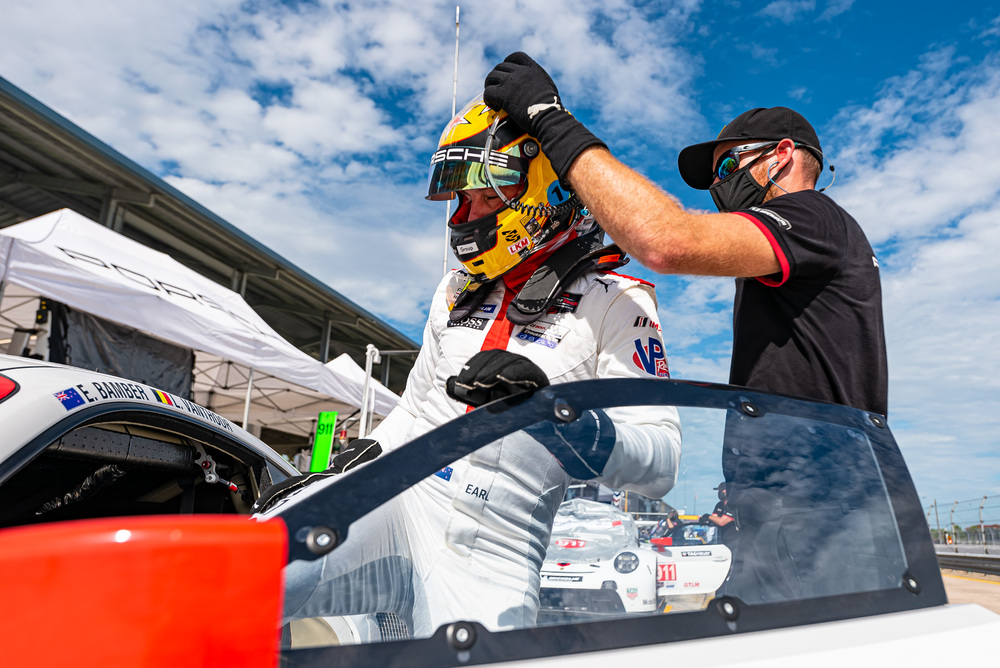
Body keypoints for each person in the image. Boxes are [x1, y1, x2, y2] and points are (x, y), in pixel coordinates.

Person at [266, 94, 682, 639]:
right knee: (249, 570)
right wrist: (346, 467)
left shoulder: (618, 301)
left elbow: (664, 464)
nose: (467, 214)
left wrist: (561, 419)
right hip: (401, 505)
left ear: (543, 192)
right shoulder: (454, 290)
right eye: (462, 198)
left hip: (496, 550)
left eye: (485, 196)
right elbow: (415, 411)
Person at [483, 53, 887, 417]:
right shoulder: (804, 244)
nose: (718, 186)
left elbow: (666, 241)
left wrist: (549, 119)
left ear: (781, 155)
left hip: (823, 489)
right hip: (795, 484)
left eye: (728, 166)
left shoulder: (812, 215)